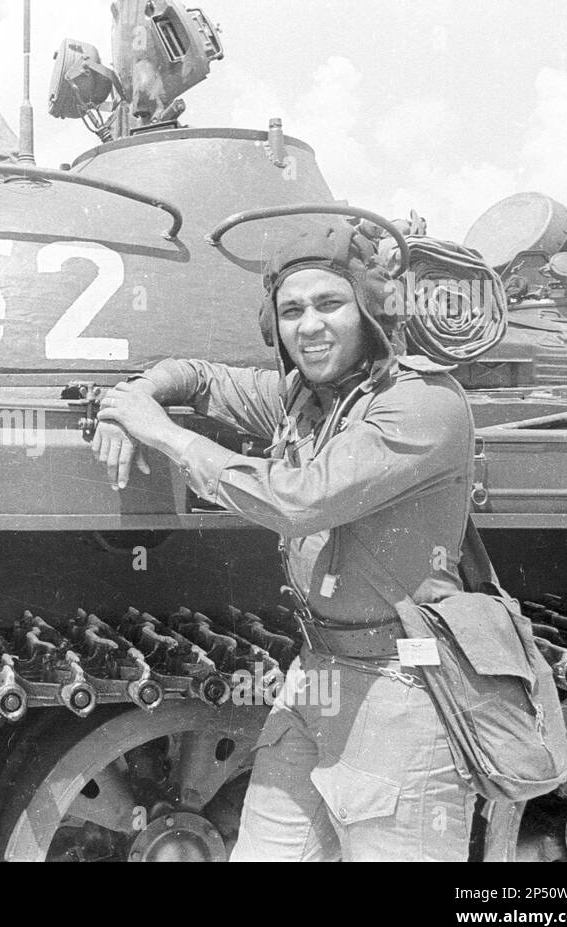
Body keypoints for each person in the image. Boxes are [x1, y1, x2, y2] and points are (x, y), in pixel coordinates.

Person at [93, 221, 478, 861]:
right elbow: (201, 377)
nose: (310, 325)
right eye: (292, 311)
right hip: (316, 676)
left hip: (404, 691)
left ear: (371, 311)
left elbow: (297, 500)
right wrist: (137, 394)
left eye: (330, 304)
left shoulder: (422, 404)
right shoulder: (305, 397)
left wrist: (160, 433)